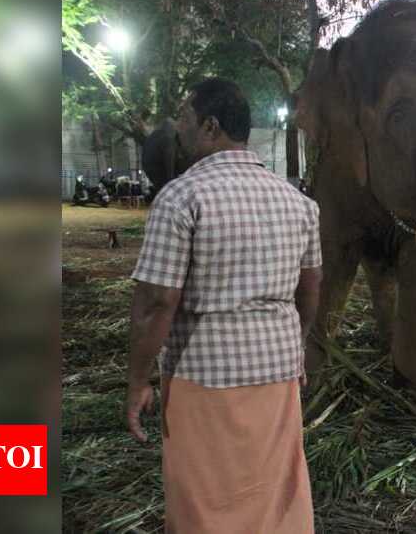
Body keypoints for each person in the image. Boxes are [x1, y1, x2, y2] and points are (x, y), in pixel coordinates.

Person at [124, 77, 321, 533]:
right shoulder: (297, 202)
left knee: (206, 494)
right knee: (271, 487)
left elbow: (157, 301)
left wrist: (136, 380)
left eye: (185, 120)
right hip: (277, 366)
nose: (179, 131)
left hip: (202, 373)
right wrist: (299, 346)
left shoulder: (181, 198)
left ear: (210, 127)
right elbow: (311, 285)